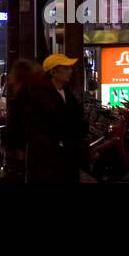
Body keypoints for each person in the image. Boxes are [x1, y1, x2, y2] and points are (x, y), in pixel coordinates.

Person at [24, 54, 86, 184]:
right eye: (65, 67)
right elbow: (33, 129)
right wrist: (53, 146)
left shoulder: (67, 95)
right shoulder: (39, 96)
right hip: (48, 163)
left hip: (66, 159)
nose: (70, 71)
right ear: (53, 72)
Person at [1, 58, 41, 182]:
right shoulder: (26, 91)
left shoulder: (23, 93)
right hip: (22, 143)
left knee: (19, 173)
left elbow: (20, 121)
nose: (10, 76)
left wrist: (15, 146)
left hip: (21, 144)